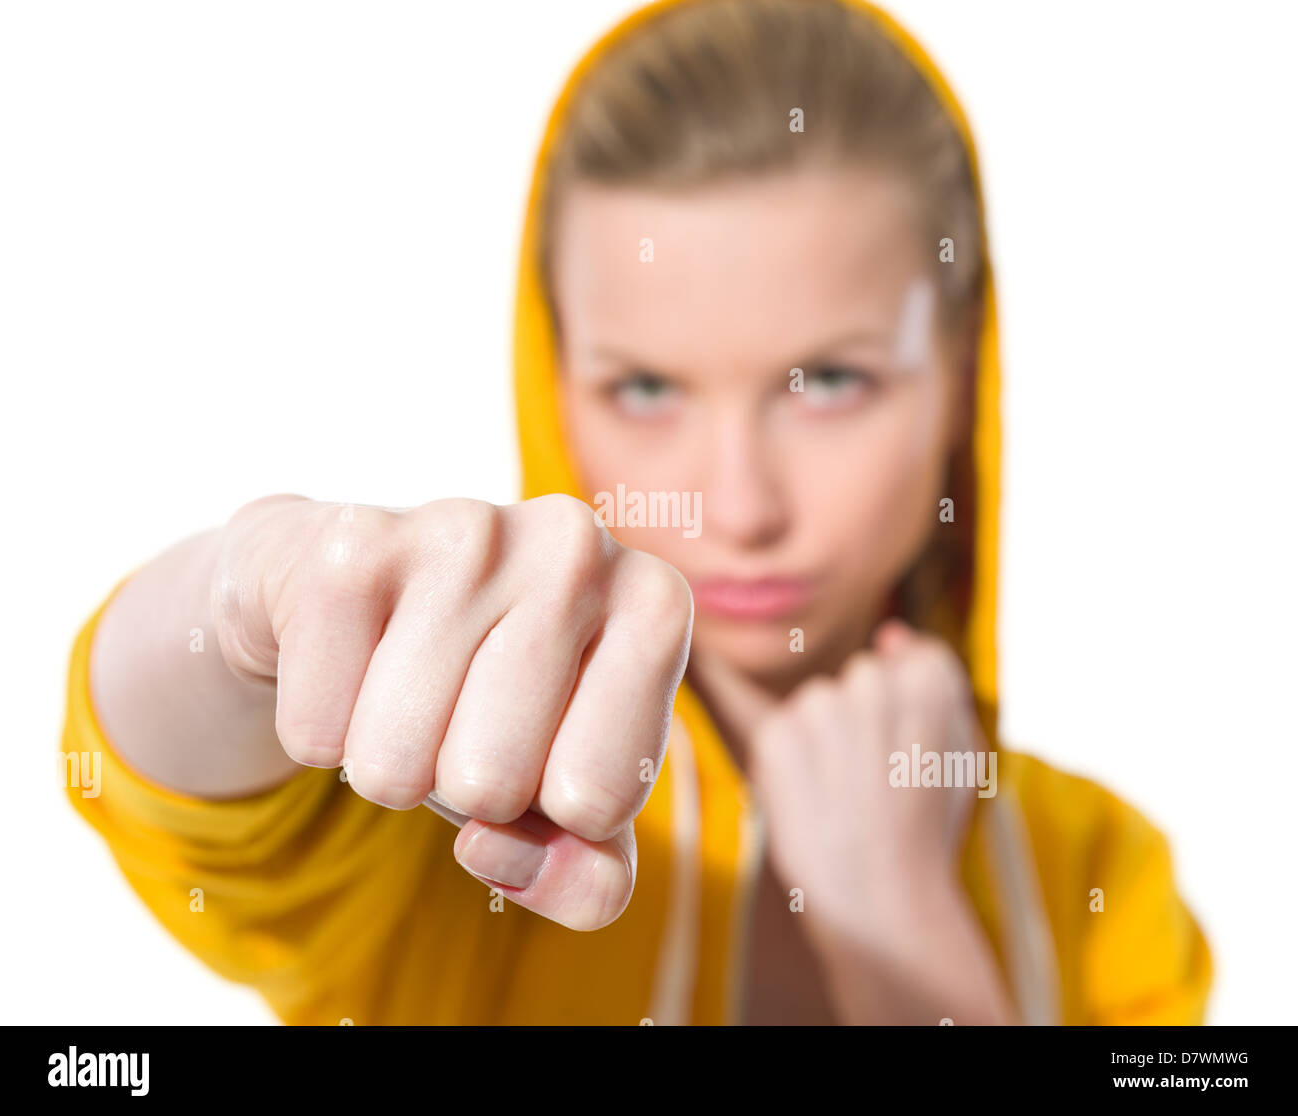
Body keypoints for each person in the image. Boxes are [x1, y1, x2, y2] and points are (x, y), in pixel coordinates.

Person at [60, 0, 1212, 1024]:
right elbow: (174, 791)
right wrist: (252, 599)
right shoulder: (448, 812)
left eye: (830, 383)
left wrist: (902, 927)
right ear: (551, 380)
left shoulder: (1101, 878)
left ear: (963, 378)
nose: (738, 505)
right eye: (647, 389)